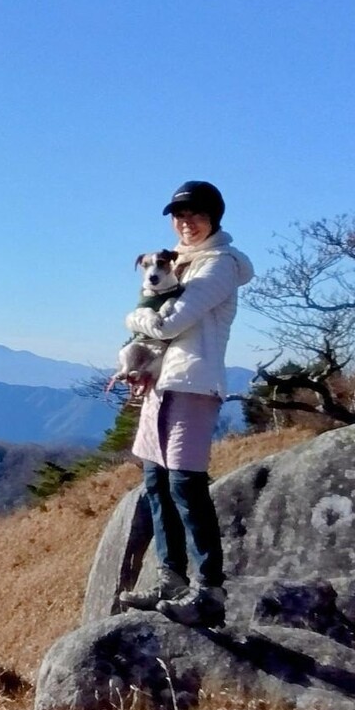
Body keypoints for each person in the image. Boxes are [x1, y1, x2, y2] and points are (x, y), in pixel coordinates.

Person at [114, 180, 254, 626]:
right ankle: (170, 577)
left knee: (186, 485)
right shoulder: (180, 263)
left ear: (214, 217)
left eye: (195, 214)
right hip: (162, 385)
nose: (185, 222)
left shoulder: (220, 265)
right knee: (156, 481)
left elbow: (170, 322)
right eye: (179, 215)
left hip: (194, 384)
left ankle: (209, 589)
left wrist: (131, 316)